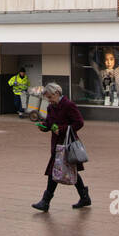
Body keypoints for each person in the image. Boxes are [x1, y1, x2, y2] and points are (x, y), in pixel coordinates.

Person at [31, 83, 91, 211]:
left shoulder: (69, 105)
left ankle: (45, 201)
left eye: (50, 97)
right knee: (65, 170)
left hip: (67, 144)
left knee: (57, 170)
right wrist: (44, 126)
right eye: (47, 98)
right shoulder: (51, 107)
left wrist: (62, 129)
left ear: (57, 93)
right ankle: (84, 196)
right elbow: (49, 123)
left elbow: (79, 122)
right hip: (57, 144)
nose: (49, 100)